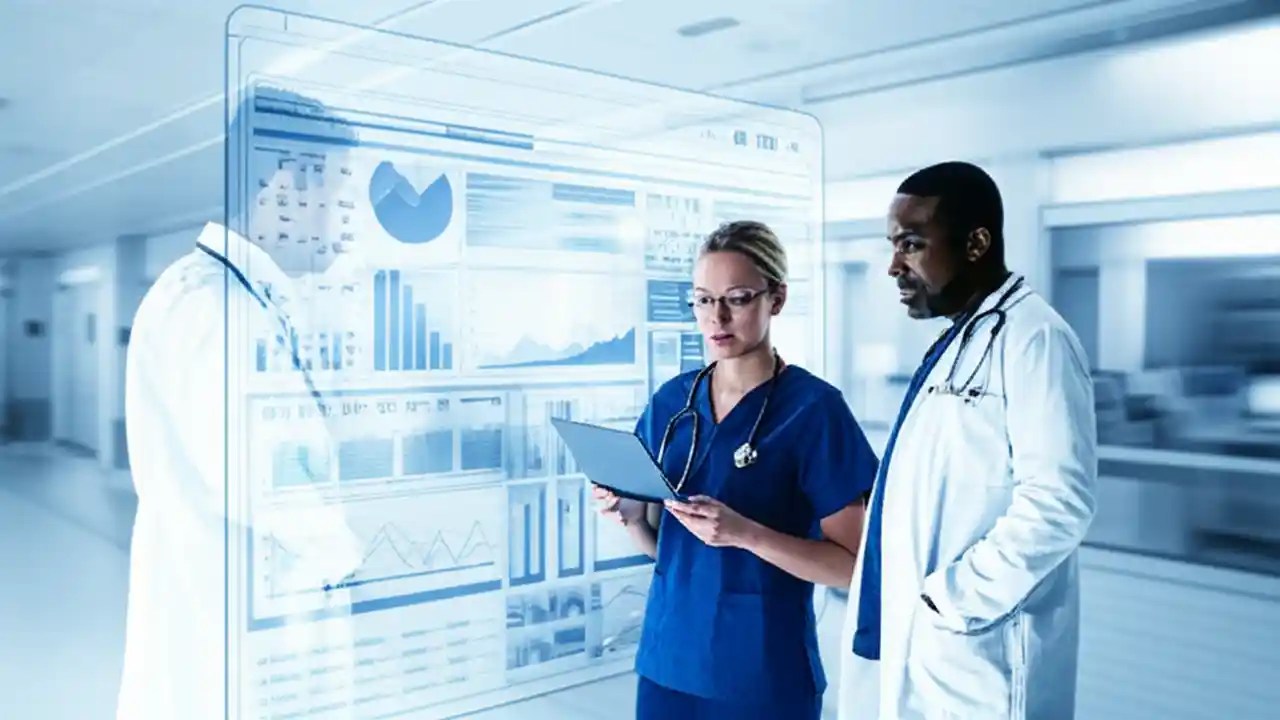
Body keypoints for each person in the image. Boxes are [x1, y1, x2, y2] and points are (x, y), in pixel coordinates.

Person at [117, 87, 362, 720]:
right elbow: (262, 477)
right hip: (226, 647)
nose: (343, 224)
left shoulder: (238, 300)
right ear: (286, 187)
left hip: (244, 635)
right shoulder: (213, 308)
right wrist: (353, 554)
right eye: (336, 199)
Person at [840, 161, 1097, 720]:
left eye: (911, 244)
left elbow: (1059, 504)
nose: (893, 266)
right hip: (928, 642)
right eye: (893, 245)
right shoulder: (961, 337)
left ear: (977, 242)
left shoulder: (1037, 339)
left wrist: (952, 598)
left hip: (978, 650)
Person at [593, 220, 880, 719]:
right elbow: (670, 553)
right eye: (703, 300)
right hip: (668, 666)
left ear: (777, 299)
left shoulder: (813, 410)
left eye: (739, 298)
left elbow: (854, 565)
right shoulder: (672, 402)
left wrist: (745, 533)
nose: (717, 317)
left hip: (762, 676)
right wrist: (634, 515)